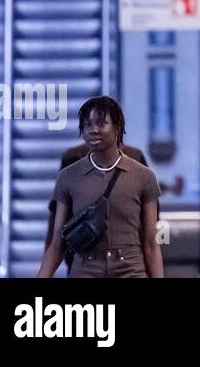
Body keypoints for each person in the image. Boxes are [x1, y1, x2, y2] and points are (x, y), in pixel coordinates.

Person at [37, 97, 165, 278]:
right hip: (85, 268)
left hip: (131, 269)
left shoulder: (143, 176)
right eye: (87, 125)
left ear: (118, 127)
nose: (93, 130)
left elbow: (152, 245)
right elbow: (57, 243)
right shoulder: (68, 176)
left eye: (101, 123)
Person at [43, 140, 148, 265]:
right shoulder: (134, 156)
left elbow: (56, 217)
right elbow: (57, 214)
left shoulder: (74, 156)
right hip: (118, 256)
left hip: (86, 254)